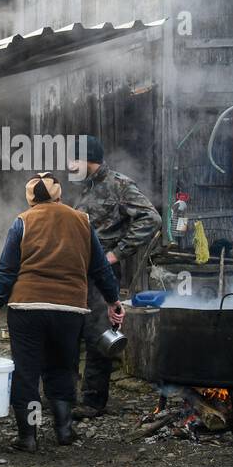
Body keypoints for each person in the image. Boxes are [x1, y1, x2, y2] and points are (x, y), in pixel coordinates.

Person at [0, 173, 124, 451]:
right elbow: (100, 268)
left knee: (27, 372)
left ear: (31, 199)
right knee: (63, 367)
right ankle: (63, 431)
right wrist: (113, 301)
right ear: (59, 195)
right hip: (69, 308)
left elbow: (7, 270)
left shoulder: (23, 221)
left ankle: (28, 437)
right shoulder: (82, 221)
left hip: (27, 308)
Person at [69, 135, 160, 419]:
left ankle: (94, 401)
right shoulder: (83, 187)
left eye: (75, 159)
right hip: (77, 270)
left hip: (102, 270)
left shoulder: (120, 184)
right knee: (71, 329)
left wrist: (117, 253)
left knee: (99, 331)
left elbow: (151, 219)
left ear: (88, 159)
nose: (71, 165)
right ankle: (67, 396)